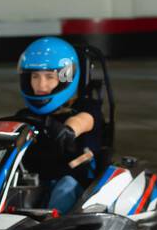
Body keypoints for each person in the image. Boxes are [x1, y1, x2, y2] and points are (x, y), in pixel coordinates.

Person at [9, 36, 102, 214]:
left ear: (66, 77)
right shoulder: (25, 116)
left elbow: (83, 121)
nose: (40, 84)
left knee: (64, 189)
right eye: (35, 76)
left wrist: (67, 131)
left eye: (49, 76)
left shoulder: (86, 108)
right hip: (35, 181)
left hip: (75, 183)